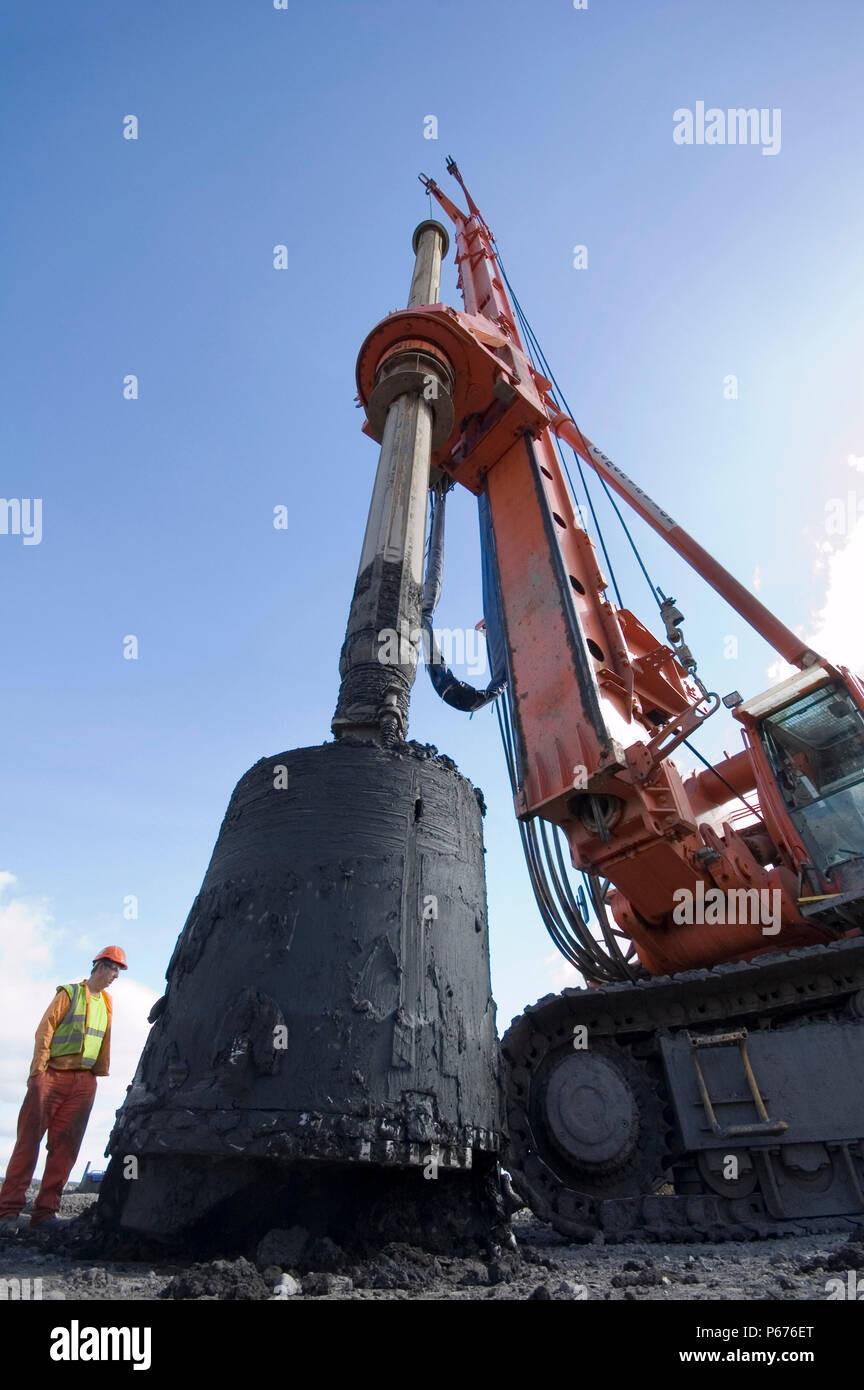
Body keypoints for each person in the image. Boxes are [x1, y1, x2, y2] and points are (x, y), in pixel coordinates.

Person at [0, 946, 127, 1233]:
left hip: (84, 1082)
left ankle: (45, 1214)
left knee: (65, 1149)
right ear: (99, 966)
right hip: (51, 1075)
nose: (114, 976)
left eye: (118, 972)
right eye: (112, 969)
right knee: (28, 1142)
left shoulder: (107, 1002)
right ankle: (8, 1211)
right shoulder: (69, 994)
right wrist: (37, 1072)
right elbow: (45, 1030)